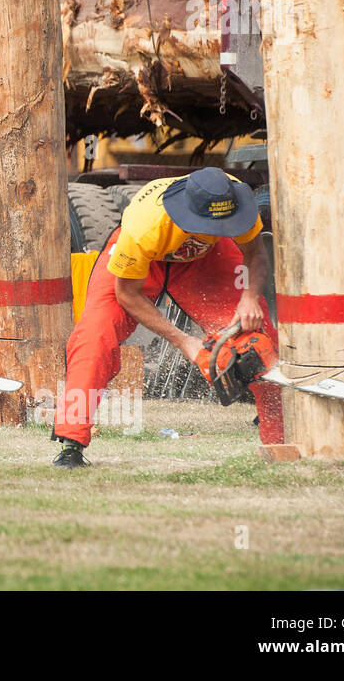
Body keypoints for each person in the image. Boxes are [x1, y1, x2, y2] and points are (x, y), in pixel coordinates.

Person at [52, 167, 283, 468]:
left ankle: (280, 438)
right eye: (210, 226)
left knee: (257, 335)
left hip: (203, 261)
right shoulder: (144, 225)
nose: (220, 230)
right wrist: (185, 342)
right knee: (94, 335)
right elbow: (127, 294)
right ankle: (71, 442)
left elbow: (256, 254)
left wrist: (249, 297)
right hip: (141, 268)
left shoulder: (236, 202)